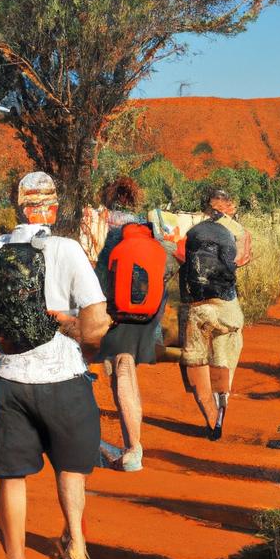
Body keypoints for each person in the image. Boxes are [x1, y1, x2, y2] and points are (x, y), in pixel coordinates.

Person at [0, 172, 110, 559]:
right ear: (52, 207)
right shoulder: (67, 249)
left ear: (18, 206)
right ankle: (76, 545)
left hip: (10, 379)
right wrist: (73, 331)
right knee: (70, 469)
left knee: (12, 473)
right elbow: (97, 321)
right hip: (64, 379)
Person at [95, 178, 167, 472]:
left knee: (120, 369)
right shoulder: (146, 228)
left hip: (118, 311)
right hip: (150, 313)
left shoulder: (106, 228)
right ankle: (132, 443)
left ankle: (133, 448)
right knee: (128, 369)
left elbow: (99, 274)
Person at [178, 188, 247, 440]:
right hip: (225, 305)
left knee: (197, 361)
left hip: (197, 306)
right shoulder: (235, 231)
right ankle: (221, 406)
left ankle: (209, 417)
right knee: (223, 357)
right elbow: (240, 261)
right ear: (228, 207)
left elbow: (182, 266)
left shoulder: (192, 231)